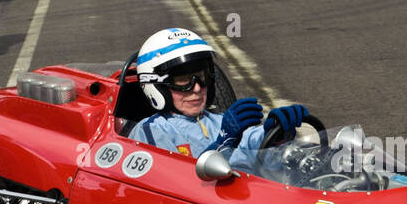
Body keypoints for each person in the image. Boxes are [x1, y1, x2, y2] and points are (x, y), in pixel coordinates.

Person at [126, 28, 310, 170]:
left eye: (202, 77)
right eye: (183, 81)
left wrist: (277, 132)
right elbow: (177, 183)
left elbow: (253, 146)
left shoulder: (221, 121)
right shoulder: (151, 130)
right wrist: (223, 142)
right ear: (157, 86)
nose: (197, 88)